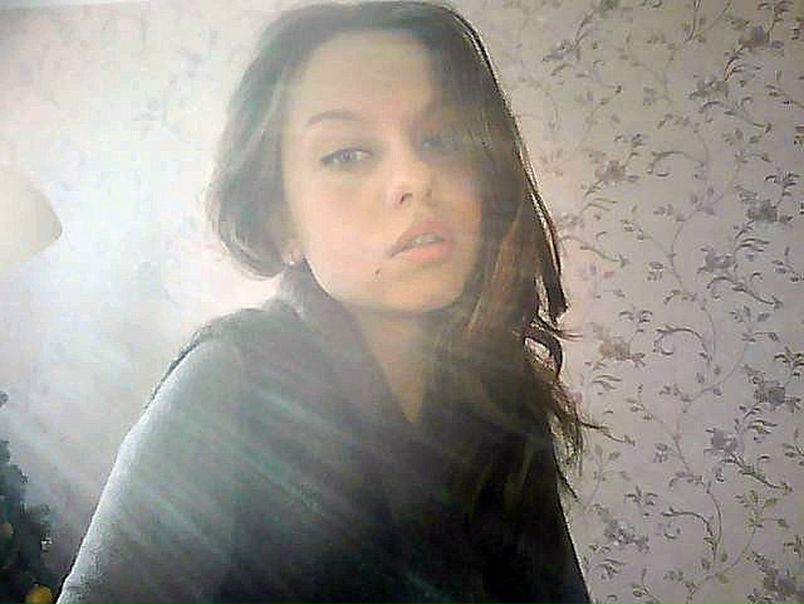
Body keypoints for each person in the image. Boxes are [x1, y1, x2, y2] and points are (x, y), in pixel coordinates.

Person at [57, 2, 589, 602]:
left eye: (441, 139)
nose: (415, 178)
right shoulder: (234, 382)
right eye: (347, 154)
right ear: (281, 221)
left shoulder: (505, 393)